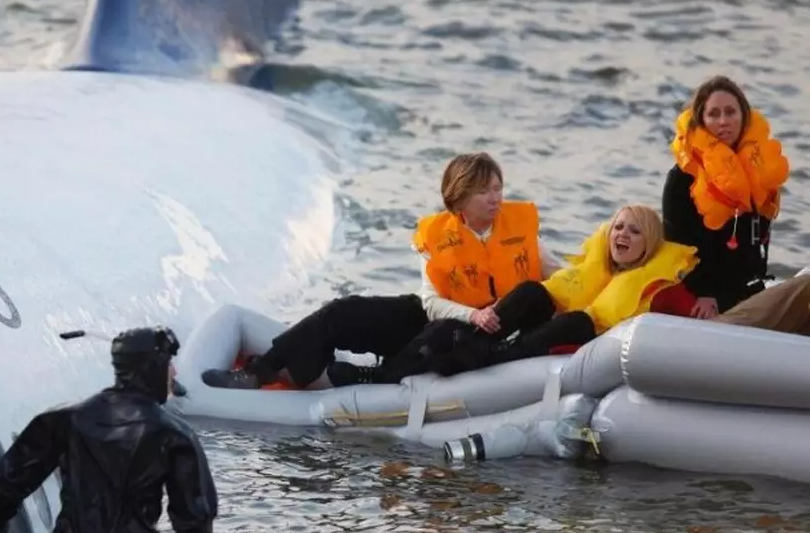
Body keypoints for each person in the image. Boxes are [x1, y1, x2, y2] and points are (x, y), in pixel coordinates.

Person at [200, 152, 562, 390]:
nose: (496, 199)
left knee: (442, 334)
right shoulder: (437, 237)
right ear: (458, 198)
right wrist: (473, 313)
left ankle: (369, 376)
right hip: (446, 315)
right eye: (484, 192)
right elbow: (431, 302)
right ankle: (261, 371)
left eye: (498, 189)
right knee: (346, 310)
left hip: (474, 336)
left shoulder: (522, 231)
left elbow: (560, 276)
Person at [0, 326, 220, 533]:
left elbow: (11, 484)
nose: (175, 373)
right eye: (169, 364)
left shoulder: (63, 419)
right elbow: (193, 520)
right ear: (153, 368)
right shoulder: (174, 435)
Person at [420, 205, 698, 375]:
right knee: (532, 291)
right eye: (618, 227)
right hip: (548, 332)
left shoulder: (661, 288)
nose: (622, 235)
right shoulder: (597, 268)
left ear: (649, 244)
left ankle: (495, 357)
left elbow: (699, 322)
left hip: (592, 346)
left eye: (635, 232)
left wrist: (711, 303)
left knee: (578, 320)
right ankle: (472, 342)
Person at [662, 75, 790, 317]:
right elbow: (676, 248)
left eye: (730, 112)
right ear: (701, 120)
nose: (723, 121)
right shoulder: (681, 178)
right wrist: (706, 295)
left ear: (744, 118)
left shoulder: (757, 172)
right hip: (708, 302)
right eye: (713, 114)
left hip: (750, 293)